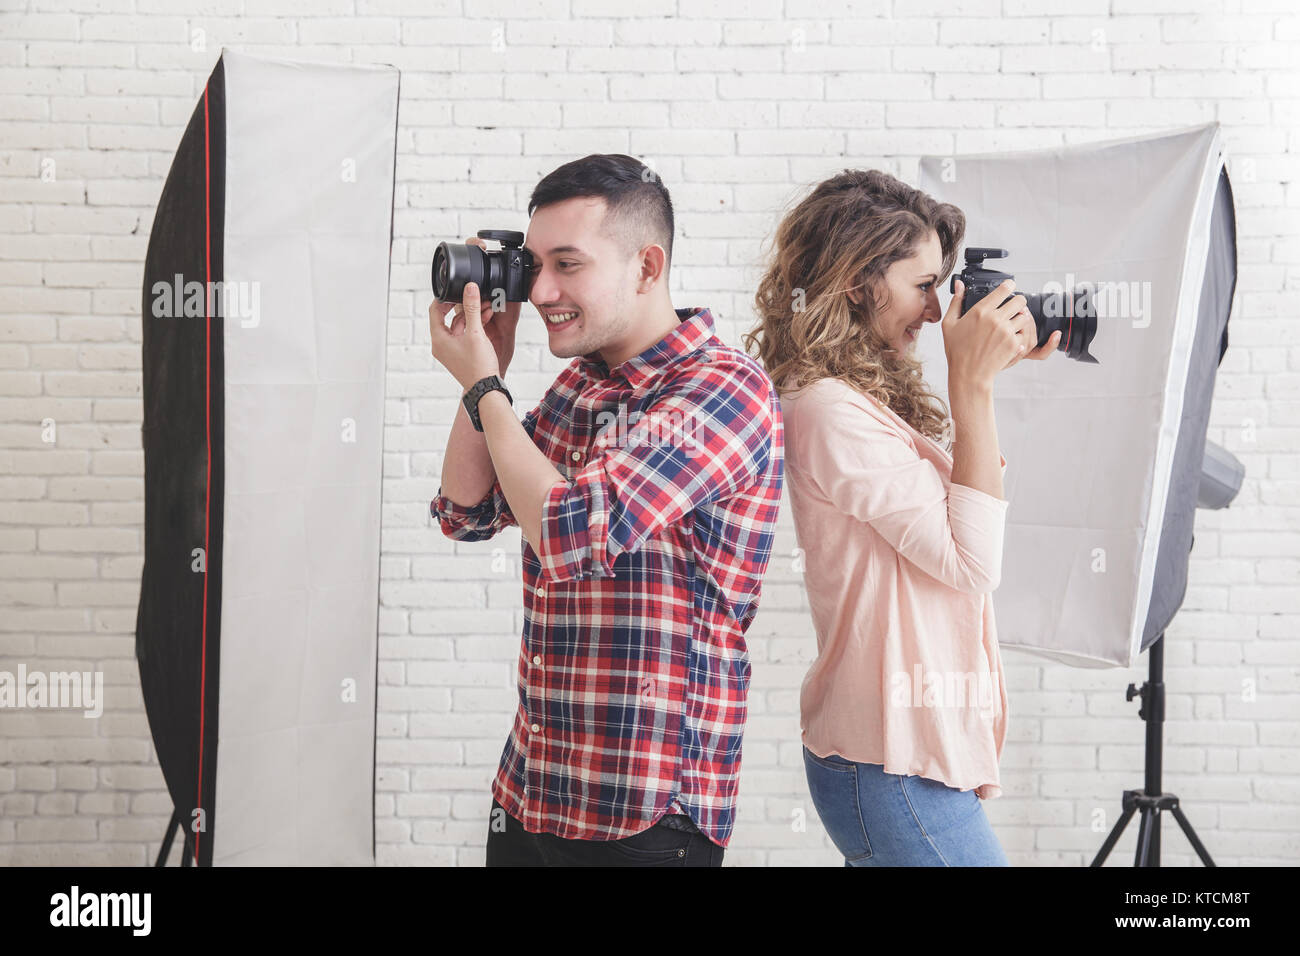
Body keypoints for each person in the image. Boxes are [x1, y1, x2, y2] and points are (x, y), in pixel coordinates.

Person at [427, 154, 783, 867]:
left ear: (648, 267)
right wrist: (488, 367)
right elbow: (465, 512)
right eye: (534, 267)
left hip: (645, 812)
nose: (545, 290)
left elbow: (568, 533)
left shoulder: (722, 391)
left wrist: (487, 388)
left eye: (568, 264)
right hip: (533, 788)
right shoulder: (575, 388)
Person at [744, 169, 1060, 866]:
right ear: (858, 283)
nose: (934, 310)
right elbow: (973, 561)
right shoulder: (830, 409)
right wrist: (971, 387)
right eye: (923, 288)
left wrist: (983, 377)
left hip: (899, 754)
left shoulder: (857, 394)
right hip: (893, 762)